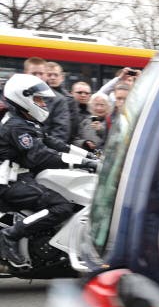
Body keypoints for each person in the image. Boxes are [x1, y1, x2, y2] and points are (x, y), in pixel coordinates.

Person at [0, 74, 99, 268]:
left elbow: (55, 144)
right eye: (37, 99)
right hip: (9, 183)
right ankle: (10, 235)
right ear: (23, 98)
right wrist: (84, 164)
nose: (42, 103)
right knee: (61, 206)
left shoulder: (25, 121)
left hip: (19, 176)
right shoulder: (16, 127)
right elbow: (42, 155)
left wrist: (91, 157)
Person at [23, 58, 71, 144]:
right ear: (25, 74)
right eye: (34, 73)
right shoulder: (16, 95)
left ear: (46, 75)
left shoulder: (59, 100)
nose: (38, 77)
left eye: (41, 73)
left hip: (43, 153)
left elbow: (60, 134)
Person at [45, 61, 79, 141]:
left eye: (56, 75)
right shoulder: (38, 95)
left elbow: (73, 127)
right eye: (49, 75)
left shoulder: (69, 100)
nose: (52, 78)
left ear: (62, 78)